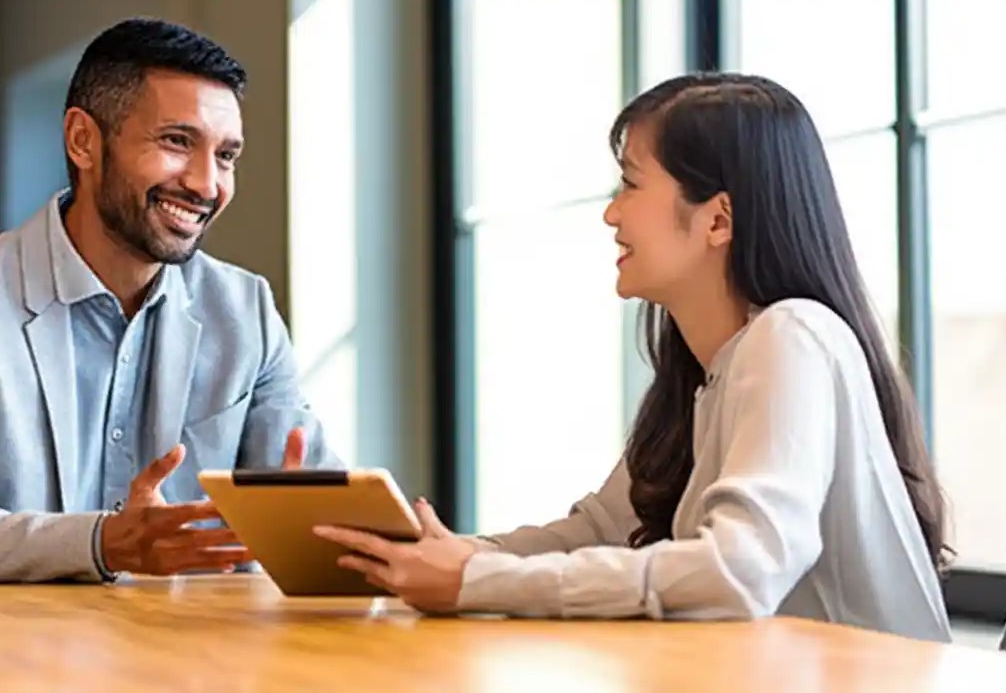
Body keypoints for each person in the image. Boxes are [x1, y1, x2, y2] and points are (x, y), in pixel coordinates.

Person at [314, 72, 952, 642]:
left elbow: (740, 567)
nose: (613, 215)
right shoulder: (703, 373)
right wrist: (457, 554)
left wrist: (478, 579)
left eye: (631, 184)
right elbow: (602, 527)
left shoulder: (791, 335)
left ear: (718, 219)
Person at [0, 18, 341, 583]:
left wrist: (352, 530)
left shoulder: (247, 311)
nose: (206, 184)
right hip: (11, 658)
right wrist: (102, 543)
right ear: (83, 141)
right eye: (176, 142)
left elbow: (314, 507)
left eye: (226, 156)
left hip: (197, 660)